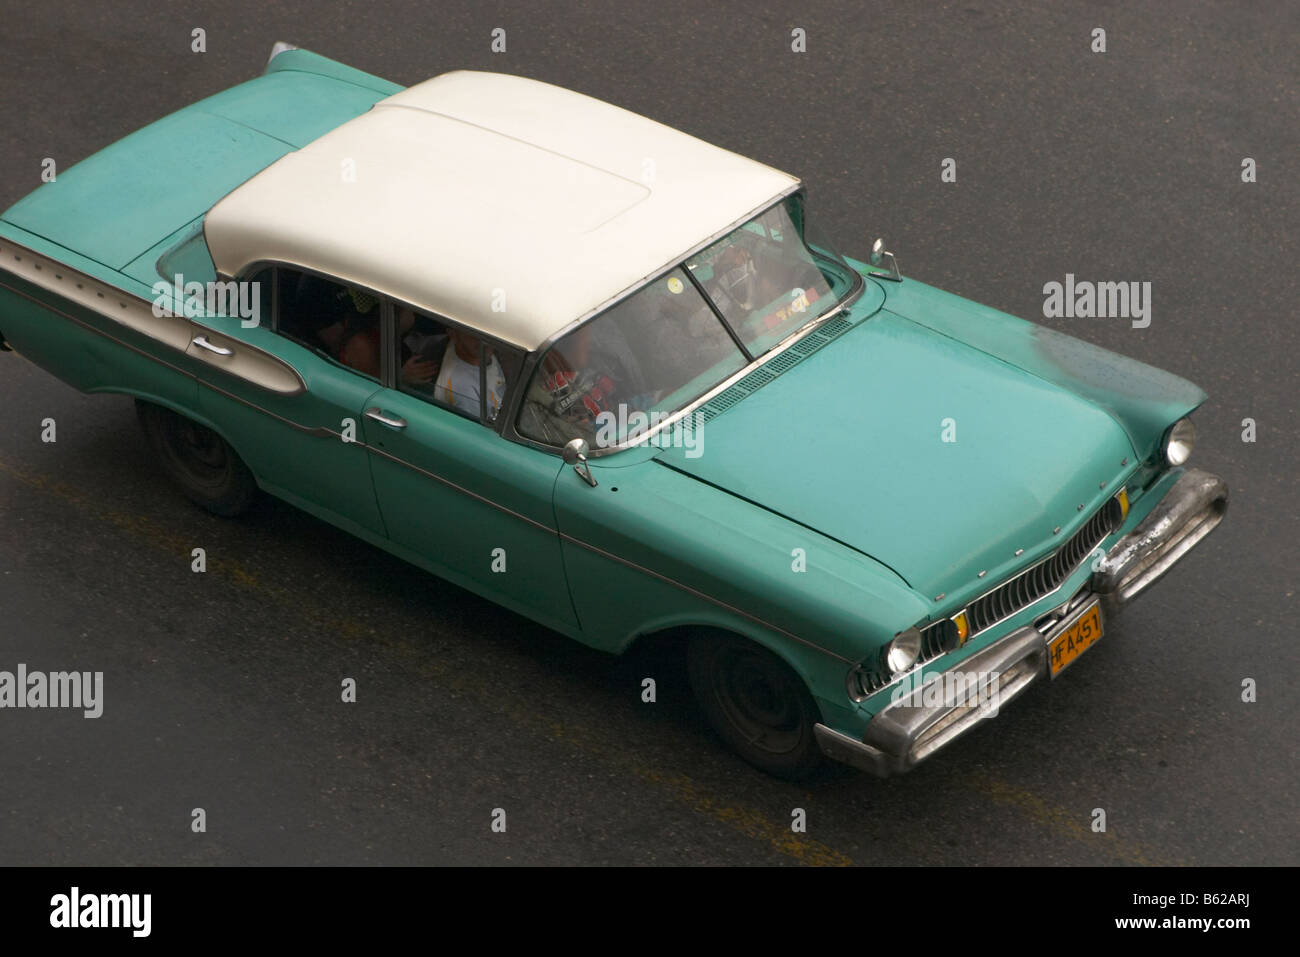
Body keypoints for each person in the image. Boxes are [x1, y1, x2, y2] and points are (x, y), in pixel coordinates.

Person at [434, 327, 505, 420]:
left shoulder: (476, 352)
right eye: (473, 332)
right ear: (453, 334)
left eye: (486, 330)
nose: (483, 339)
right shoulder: (463, 388)